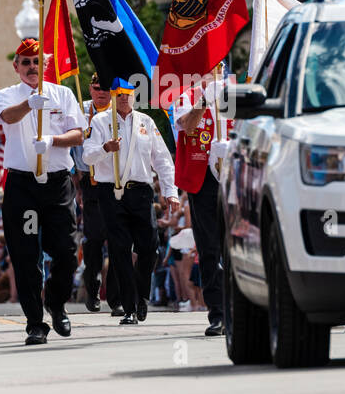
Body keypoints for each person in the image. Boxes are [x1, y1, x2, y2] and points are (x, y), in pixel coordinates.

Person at [0, 37, 83, 345]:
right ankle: (35, 322)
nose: (32, 67)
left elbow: (78, 133)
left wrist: (54, 142)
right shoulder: (8, 95)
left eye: (37, 62)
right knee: (26, 254)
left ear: (46, 65)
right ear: (16, 67)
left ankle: (56, 304)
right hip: (23, 186)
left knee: (66, 251)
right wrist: (28, 103)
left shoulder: (63, 93)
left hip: (57, 183)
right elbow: (7, 117)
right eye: (26, 62)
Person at [84, 87, 180, 325]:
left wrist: (170, 191)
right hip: (111, 191)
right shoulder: (100, 121)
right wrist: (105, 149)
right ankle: (128, 307)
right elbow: (87, 156)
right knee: (120, 249)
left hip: (141, 191)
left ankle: (142, 295)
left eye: (128, 93)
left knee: (149, 247)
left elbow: (162, 159)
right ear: (113, 96)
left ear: (135, 96)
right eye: (118, 93)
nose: (124, 97)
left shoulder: (145, 121)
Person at [173, 71, 234, 337]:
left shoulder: (231, 91)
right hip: (202, 180)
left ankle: (240, 308)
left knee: (236, 245)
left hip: (232, 176)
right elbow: (186, 124)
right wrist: (204, 101)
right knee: (209, 249)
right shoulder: (185, 94)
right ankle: (218, 313)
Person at [76, 73, 121, 316]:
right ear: (90, 89)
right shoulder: (80, 110)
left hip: (116, 180)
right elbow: (74, 147)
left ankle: (115, 298)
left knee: (117, 240)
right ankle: (92, 289)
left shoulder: (119, 110)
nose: (101, 92)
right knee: (93, 239)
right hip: (91, 182)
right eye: (96, 88)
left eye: (105, 88)